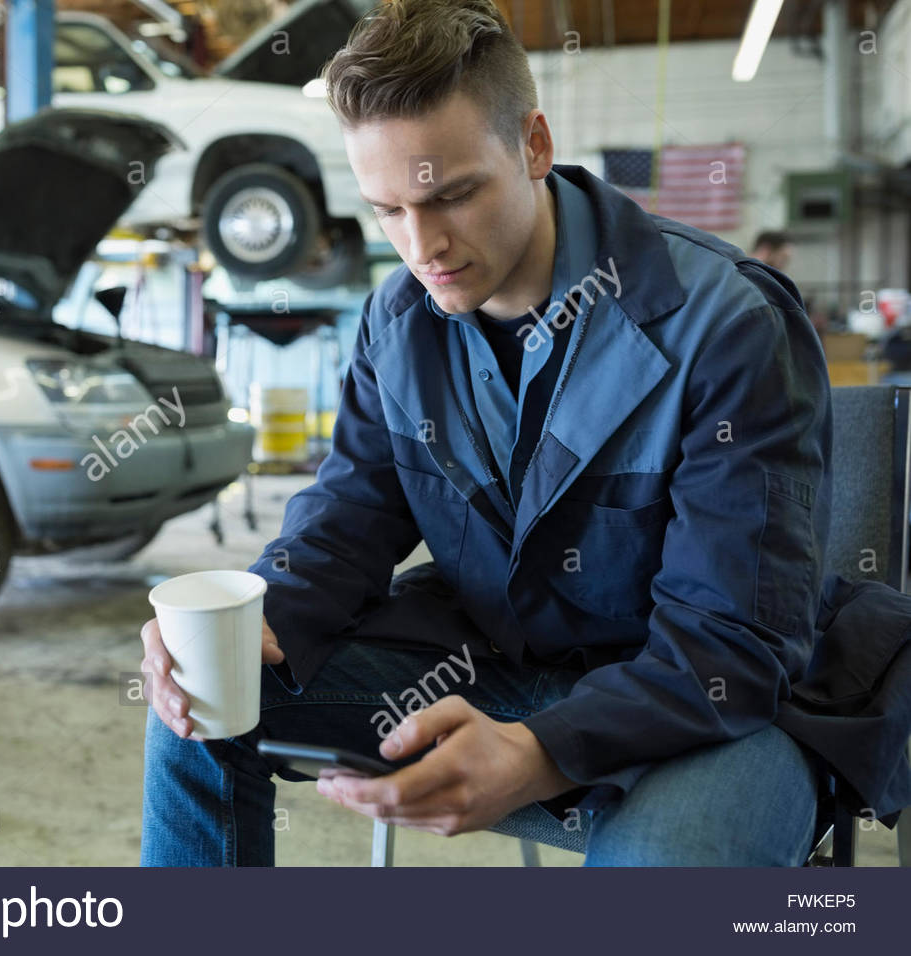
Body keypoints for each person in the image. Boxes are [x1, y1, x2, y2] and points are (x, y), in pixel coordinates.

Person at [140, 0, 832, 866]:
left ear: (533, 145)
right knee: (199, 706)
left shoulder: (723, 323)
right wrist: (257, 617)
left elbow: (733, 640)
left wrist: (543, 749)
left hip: (698, 701)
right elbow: (351, 514)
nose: (421, 245)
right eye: (387, 208)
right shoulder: (398, 319)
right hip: (485, 661)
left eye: (452, 195)